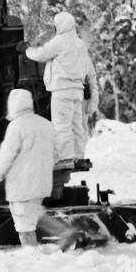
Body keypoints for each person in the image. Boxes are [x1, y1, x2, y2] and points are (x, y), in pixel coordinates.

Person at [25, 11, 99, 198]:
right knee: (77, 126)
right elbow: (90, 72)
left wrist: (26, 50)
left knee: (61, 126)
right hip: (77, 91)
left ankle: (65, 158)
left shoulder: (60, 41)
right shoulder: (80, 45)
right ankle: (79, 156)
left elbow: (41, 54)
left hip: (61, 90)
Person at [0, 88, 59, 248]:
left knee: (25, 227)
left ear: (12, 105)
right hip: (41, 184)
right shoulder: (46, 124)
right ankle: (64, 232)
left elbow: (5, 157)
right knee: (35, 214)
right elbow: (56, 154)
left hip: (22, 186)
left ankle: (31, 257)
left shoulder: (17, 127)